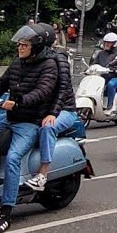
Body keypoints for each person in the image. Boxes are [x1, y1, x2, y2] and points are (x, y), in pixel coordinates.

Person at [0, 23, 60, 233]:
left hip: (30, 122)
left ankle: (6, 213)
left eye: (24, 44)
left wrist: (19, 101)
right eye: (19, 44)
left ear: (36, 46)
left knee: (14, 157)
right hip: (8, 118)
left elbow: (43, 91)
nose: (20, 47)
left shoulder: (49, 65)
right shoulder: (17, 64)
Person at [27, 24, 87, 192]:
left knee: (47, 128)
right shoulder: (33, 57)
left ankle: (42, 175)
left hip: (65, 109)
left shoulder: (59, 58)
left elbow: (64, 88)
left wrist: (53, 113)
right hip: (43, 108)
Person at [93, 32, 117, 112]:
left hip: (115, 77)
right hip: (102, 77)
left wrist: (115, 69)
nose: (106, 44)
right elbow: (95, 64)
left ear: (114, 43)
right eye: (105, 42)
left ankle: (109, 106)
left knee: (111, 84)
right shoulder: (101, 53)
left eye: (109, 43)